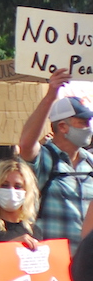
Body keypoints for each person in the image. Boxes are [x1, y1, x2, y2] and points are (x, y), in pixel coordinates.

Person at [16, 70, 93, 256]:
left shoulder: (90, 162)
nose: (88, 127)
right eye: (82, 122)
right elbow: (26, 144)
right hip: (52, 262)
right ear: (62, 127)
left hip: (86, 267)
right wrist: (51, 94)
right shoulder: (45, 159)